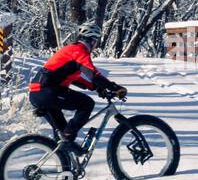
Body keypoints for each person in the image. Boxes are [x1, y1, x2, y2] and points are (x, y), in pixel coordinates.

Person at [29, 22, 127, 155]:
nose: (95, 44)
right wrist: (114, 87)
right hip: (48, 91)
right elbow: (93, 75)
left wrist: (96, 88)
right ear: (92, 40)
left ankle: (65, 170)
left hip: (37, 93)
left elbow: (75, 78)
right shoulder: (79, 51)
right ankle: (68, 138)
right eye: (96, 41)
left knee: (62, 138)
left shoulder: (70, 49)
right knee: (86, 104)